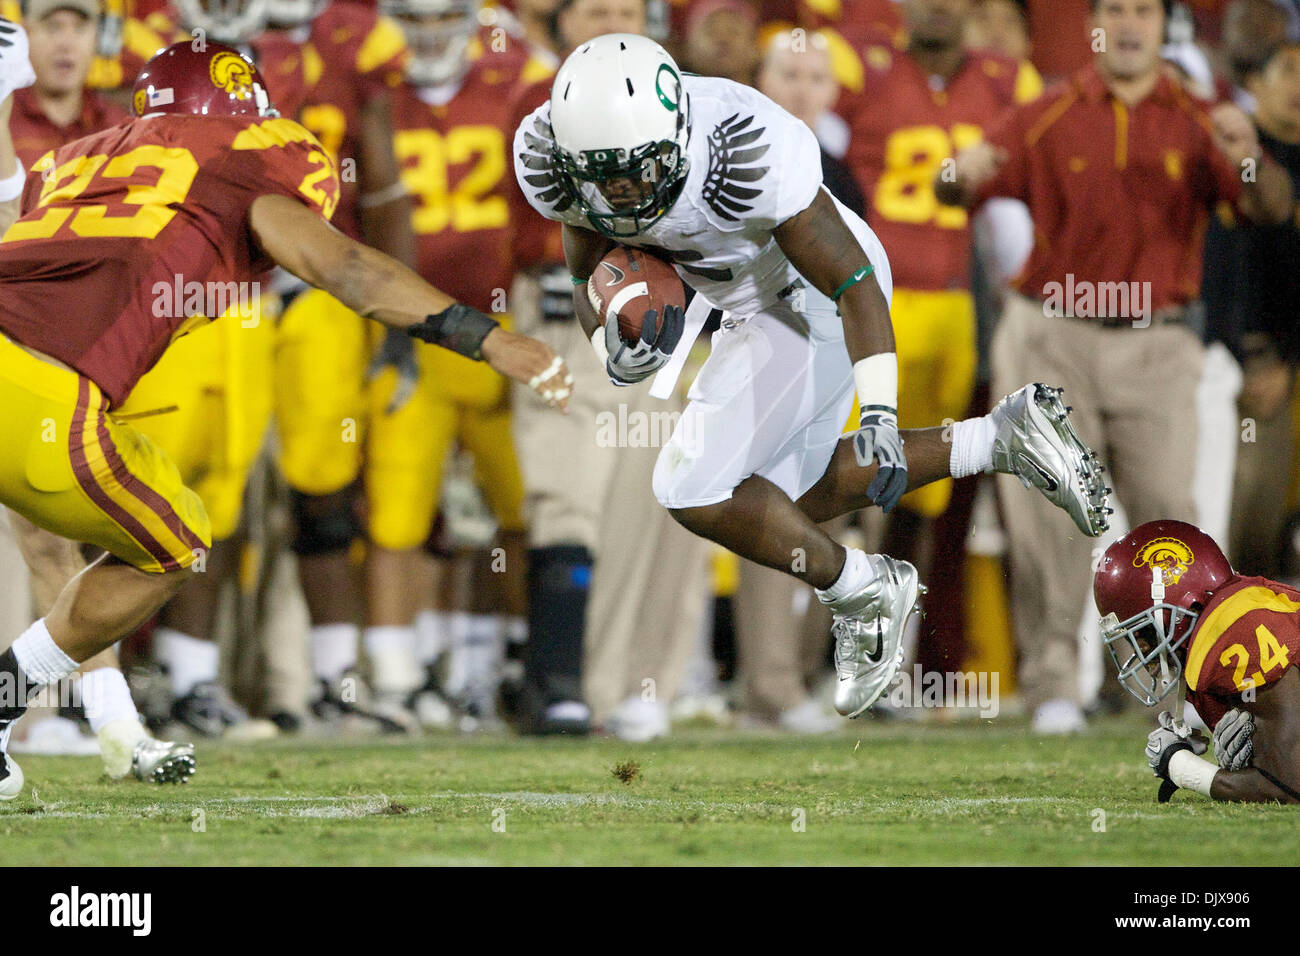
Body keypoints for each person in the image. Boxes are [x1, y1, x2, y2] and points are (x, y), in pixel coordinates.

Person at [0, 36, 571, 800]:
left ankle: (99, 721)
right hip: (39, 395)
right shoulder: (246, 155)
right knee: (174, 546)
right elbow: (346, 268)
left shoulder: (82, 162)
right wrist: (486, 336)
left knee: (145, 489)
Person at [514, 32, 1109, 720]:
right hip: (745, 308)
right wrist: (610, 345)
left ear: (677, 130)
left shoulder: (746, 149)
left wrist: (880, 413)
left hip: (813, 294)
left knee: (690, 486)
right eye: (606, 173)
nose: (625, 189)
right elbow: (589, 268)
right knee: (767, 496)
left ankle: (863, 587)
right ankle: (1002, 441)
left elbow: (854, 282)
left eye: (640, 169)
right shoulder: (553, 161)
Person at [936, 0, 1293, 734]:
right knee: (1050, 519)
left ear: (1167, 28)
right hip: (1052, 332)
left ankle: (1176, 697)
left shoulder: (1204, 117)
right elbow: (954, 183)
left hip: (1157, 339)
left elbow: (1270, 210)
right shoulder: (1046, 111)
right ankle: (1055, 686)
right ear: (1097, 24)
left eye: (1143, 10)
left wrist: (1249, 154)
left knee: (1170, 521)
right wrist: (959, 169)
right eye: (1115, 9)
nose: (1128, 23)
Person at [507, 0, 711, 739]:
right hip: (567, 320)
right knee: (571, 503)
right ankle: (561, 684)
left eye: (627, 9)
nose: (612, 22)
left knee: (662, 509)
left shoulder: (687, 101)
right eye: (595, 9)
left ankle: (640, 684)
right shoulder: (531, 102)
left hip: (667, 323)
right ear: (558, 24)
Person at [4, 0, 194, 782]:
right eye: (49, 21)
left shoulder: (121, 130)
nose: (62, 40)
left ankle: (114, 725)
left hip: (47, 354)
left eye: (78, 22)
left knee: (56, 539)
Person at [1094, 519, 1300, 803]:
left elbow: (1292, 783)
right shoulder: (1234, 611)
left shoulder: (1235, 630)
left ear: (1180, 606)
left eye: (1141, 631)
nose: (1140, 648)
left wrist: (1182, 767)